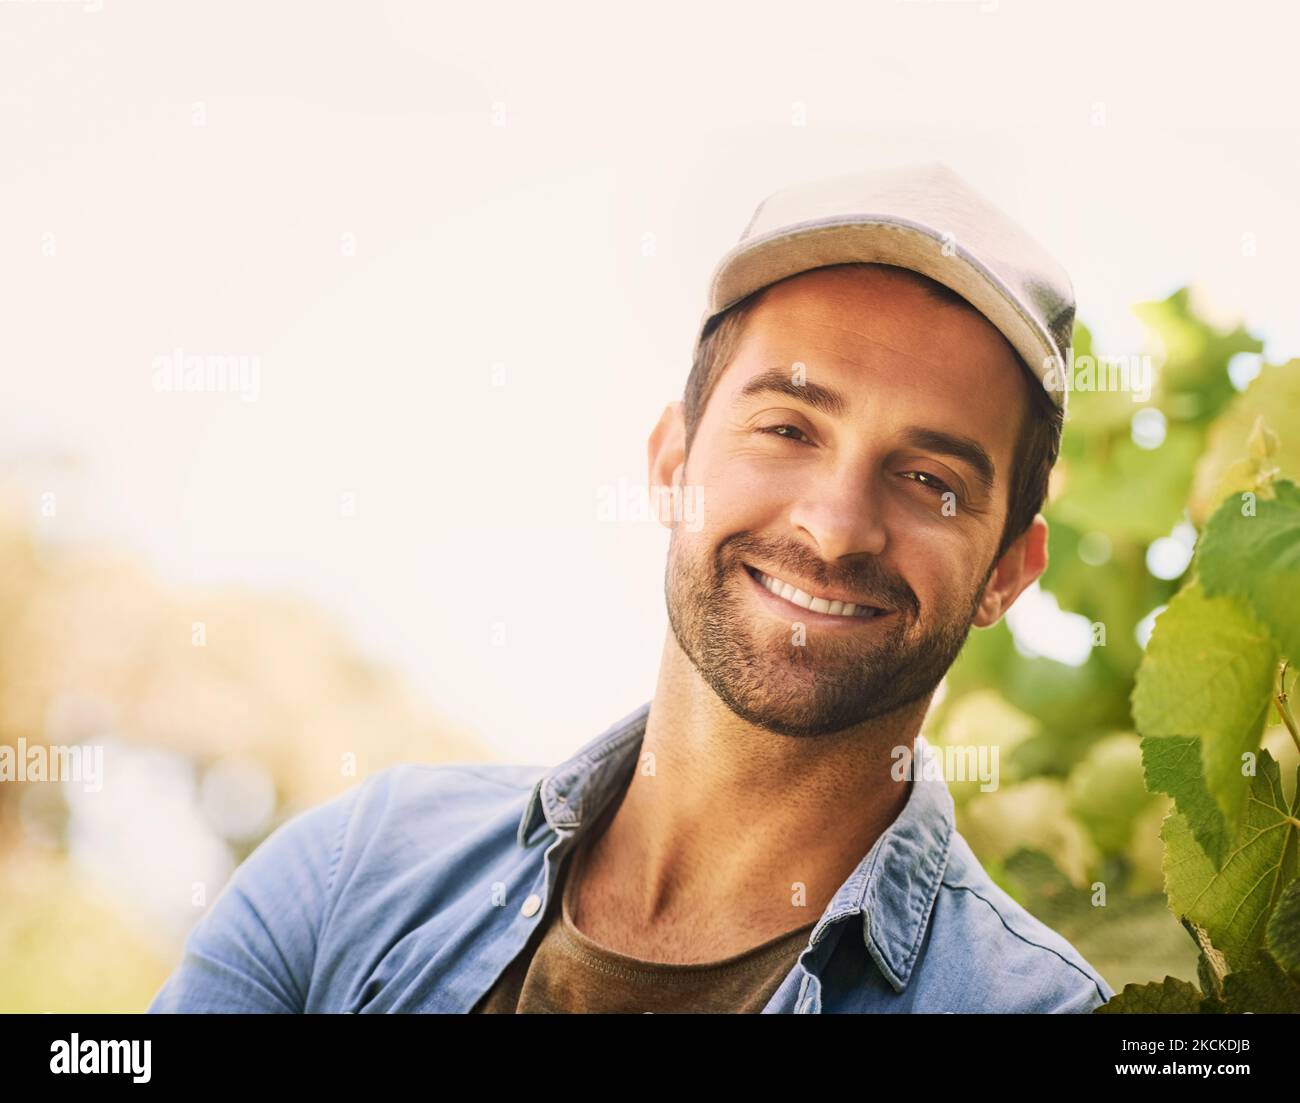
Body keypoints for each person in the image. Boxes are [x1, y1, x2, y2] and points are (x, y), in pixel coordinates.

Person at [148, 162, 1114, 1013]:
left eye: (930, 481)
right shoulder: (352, 873)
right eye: (788, 428)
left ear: (1006, 573)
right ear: (671, 462)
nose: (835, 524)